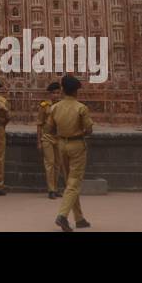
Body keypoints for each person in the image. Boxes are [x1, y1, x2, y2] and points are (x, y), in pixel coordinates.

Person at [46, 75, 93, 232]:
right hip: (77, 144)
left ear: (63, 90)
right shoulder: (81, 108)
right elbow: (89, 129)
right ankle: (62, 215)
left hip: (61, 144)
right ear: (76, 91)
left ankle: (79, 218)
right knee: (74, 182)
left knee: (70, 183)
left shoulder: (55, 107)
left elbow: (49, 128)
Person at [36, 81, 62, 198]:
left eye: (58, 93)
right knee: (50, 163)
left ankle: (56, 188)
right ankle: (51, 189)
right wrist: (38, 141)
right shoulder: (44, 106)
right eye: (54, 93)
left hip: (59, 137)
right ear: (50, 94)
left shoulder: (62, 106)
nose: (56, 95)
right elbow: (39, 124)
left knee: (58, 164)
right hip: (47, 137)